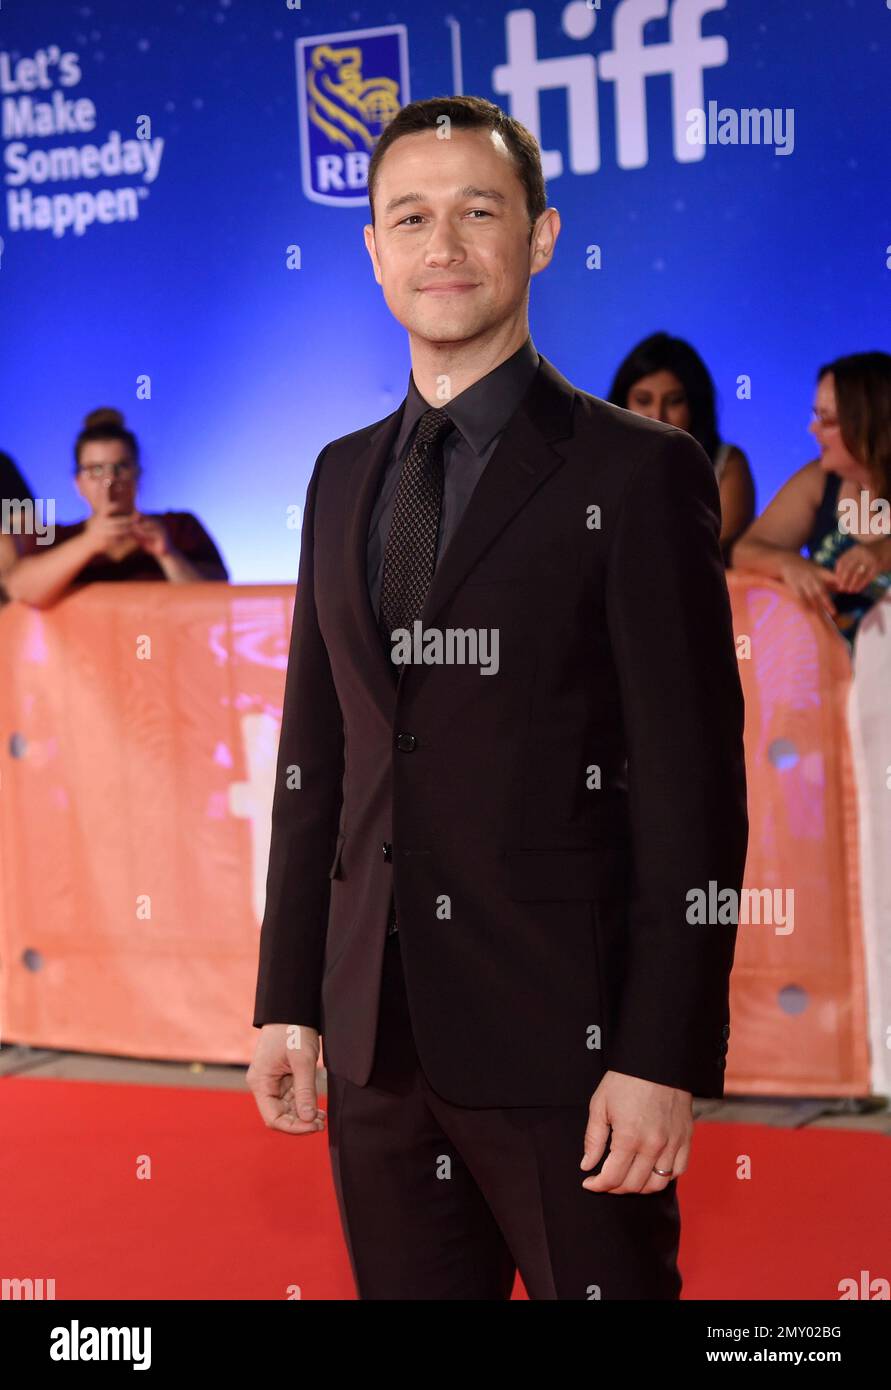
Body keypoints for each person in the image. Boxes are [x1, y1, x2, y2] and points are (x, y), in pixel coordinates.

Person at [247, 95, 748, 1301]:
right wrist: (287, 997)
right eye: (409, 217)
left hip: (569, 1051)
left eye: (480, 212)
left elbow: (695, 789)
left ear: (539, 236)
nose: (444, 246)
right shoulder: (336, 476)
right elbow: (320, 758)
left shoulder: (636, 473)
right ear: (372, 250)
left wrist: (658, 1053)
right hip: (373, 1044)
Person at [731, 353, 891, 653]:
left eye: (827, 420)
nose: (812, 430)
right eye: (815, 416)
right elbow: (745, 551)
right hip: (834, 680)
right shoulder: (818, 481)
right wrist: (789, 564)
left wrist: (881, 553)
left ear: (871, 422)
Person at [3, 408, 228, 608]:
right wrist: (89, 543)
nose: (109, 481)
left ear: (138, 474)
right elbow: (20, 591)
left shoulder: (179, 526)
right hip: (82, 656)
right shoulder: (55, 536)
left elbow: (215, 600)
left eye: (121, 467)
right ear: (78, 482)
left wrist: (168, 555)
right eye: (96, 470)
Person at [609, 331, 755, 562]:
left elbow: (713, 556)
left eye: (674, 401)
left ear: (695, 405)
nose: (657, 415)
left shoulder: (726, 463)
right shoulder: (601, 462)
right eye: (643, 401)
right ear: (621, 403)